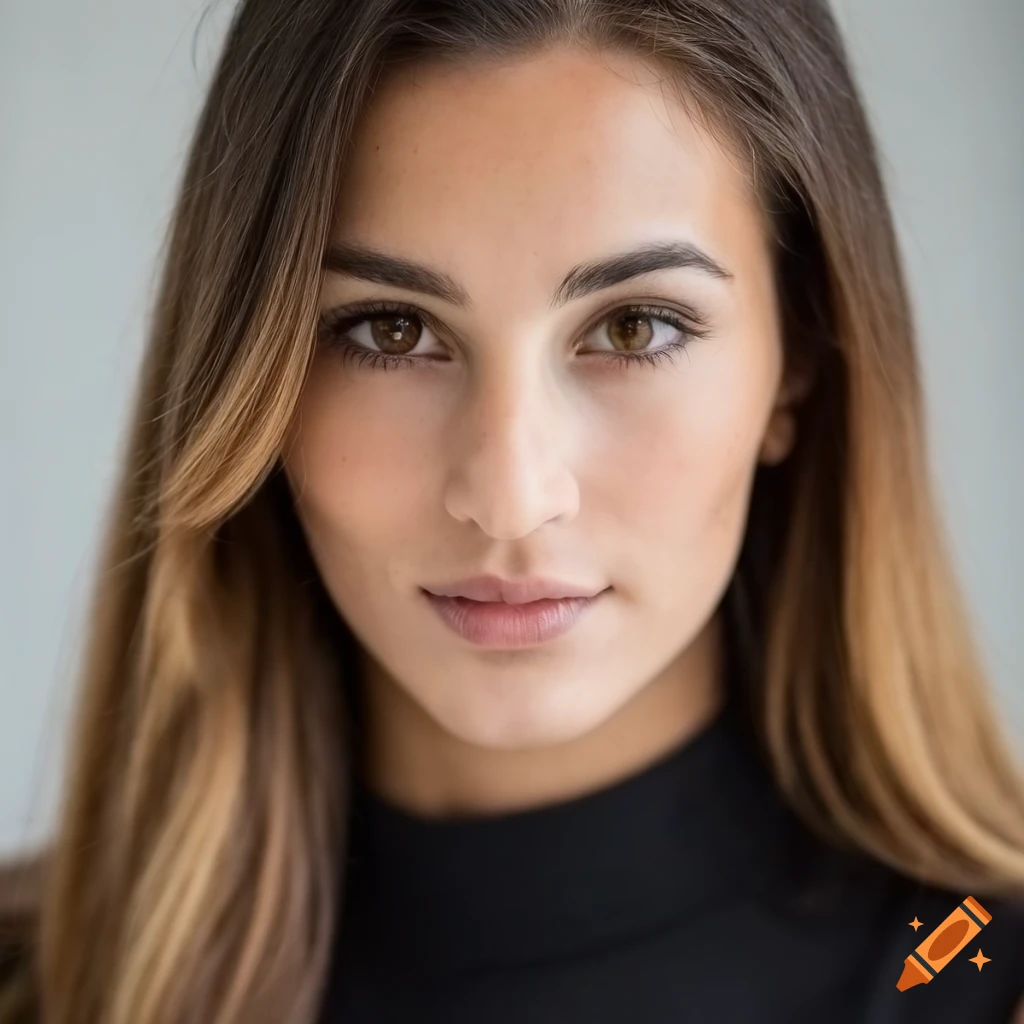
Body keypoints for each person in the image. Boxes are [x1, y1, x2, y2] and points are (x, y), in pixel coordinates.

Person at [2, 0, 1024, 1021]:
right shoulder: (36, 986)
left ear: (797, 356)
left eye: (631, 329)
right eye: (392, 330)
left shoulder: (979, 972)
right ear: (252, 371)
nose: (510, 494)